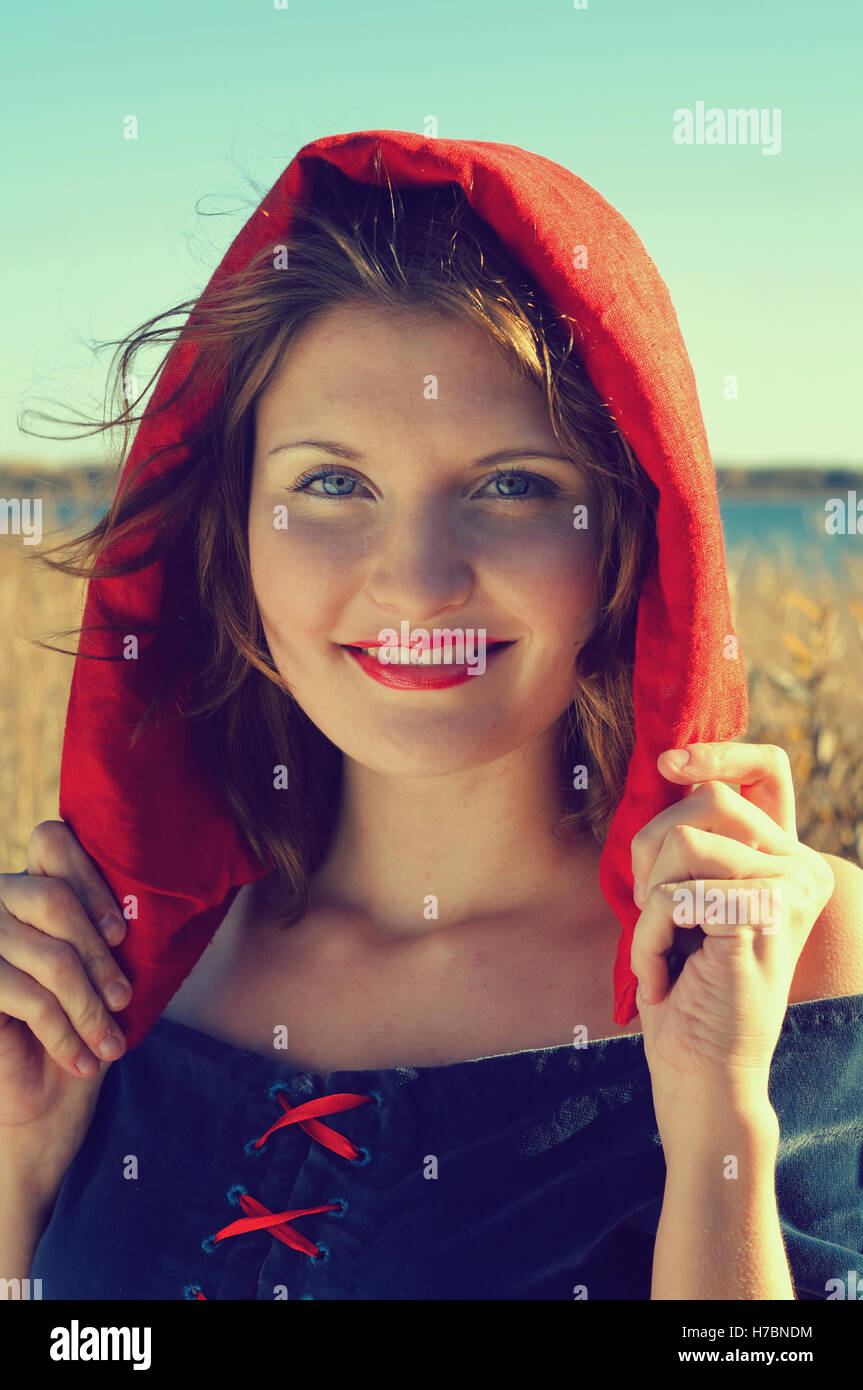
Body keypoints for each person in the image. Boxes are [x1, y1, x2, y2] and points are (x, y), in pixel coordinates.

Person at [2, 130, 862, 1301]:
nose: (416, 581)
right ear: (234, 535)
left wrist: (718, 1118)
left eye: (511, 485)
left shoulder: (789, 949)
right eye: (331, 483)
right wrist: (16, 1172)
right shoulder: (115, 965)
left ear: (627, 536)